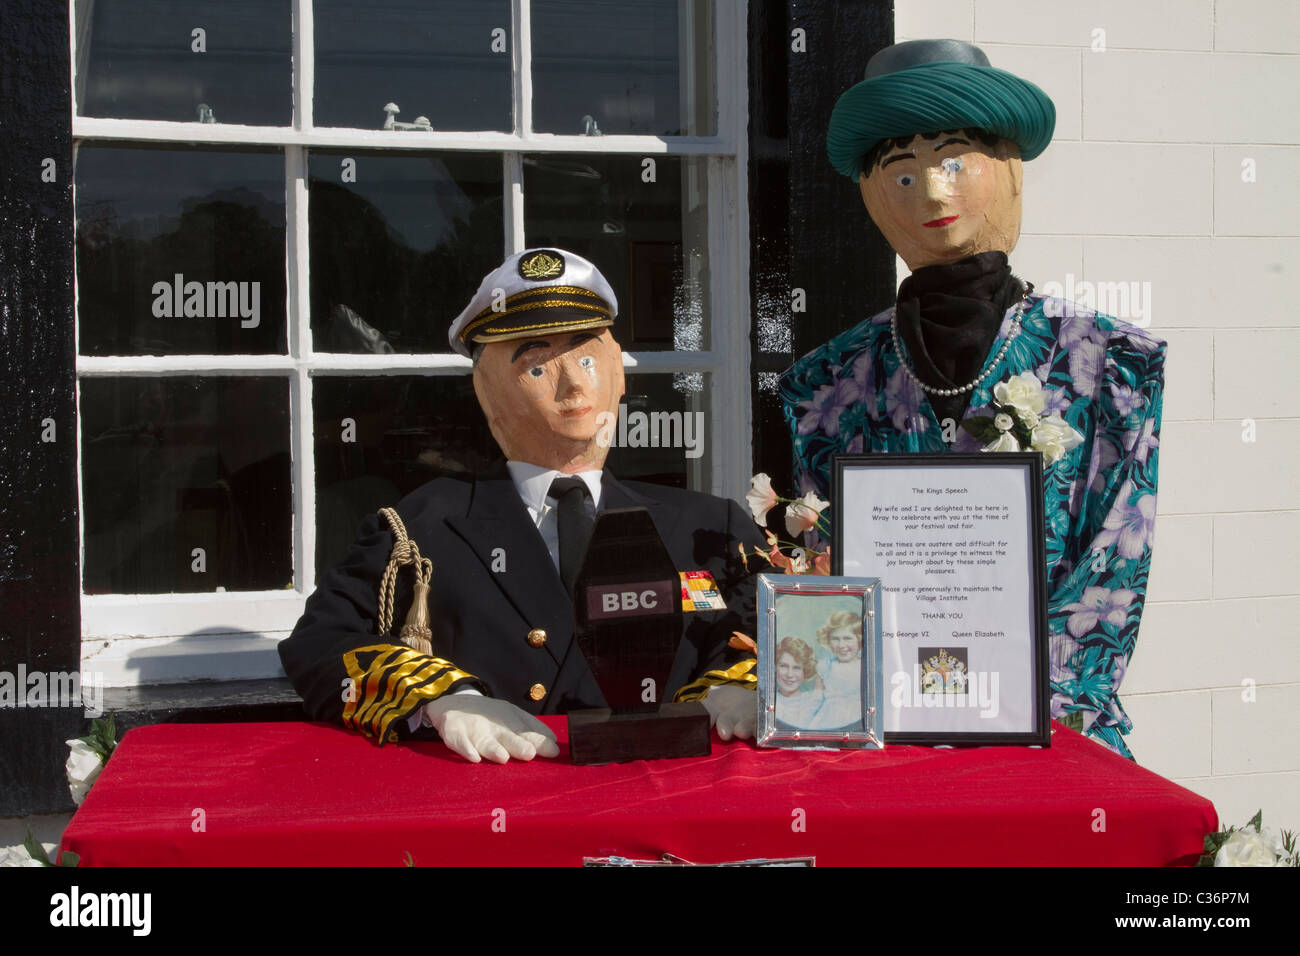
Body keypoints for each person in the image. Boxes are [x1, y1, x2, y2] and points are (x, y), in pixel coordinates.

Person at [780, 40, 1165, 758]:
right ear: (868, 194)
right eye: (900, 172)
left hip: (1051, 740)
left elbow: (1114, 559)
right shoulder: (826, 384)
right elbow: (826, 574)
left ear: (1010, 171)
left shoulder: (1111, 365)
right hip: (880, 739)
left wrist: (1030, 717)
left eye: (955, 161)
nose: (931, 194)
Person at [280, 248, 766, 763]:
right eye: (536, 365)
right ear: (487, 392)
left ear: (621, 373)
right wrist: (445, 699)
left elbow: (774, 627)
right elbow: (320, 643)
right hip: (503, 806)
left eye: (586, 356)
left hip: (669, 800)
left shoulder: (708, 528)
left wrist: (734, 684)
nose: (574, 384)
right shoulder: (421, 529)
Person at [810, 611, 862, 729]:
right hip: (828, 718)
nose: (841, 645)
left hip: (856, 718)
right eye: (835, 639)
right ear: (828, 640)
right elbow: (816, 696)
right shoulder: (826, 666)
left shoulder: (864, 666)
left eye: (847, 638)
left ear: (859, 640)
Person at [773, 636, 824, 728]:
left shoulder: (815, 701)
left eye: (797, 668)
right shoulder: (769, 700)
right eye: (784, 666)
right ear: (775, 667)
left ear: (805, 670)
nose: (789, 674)